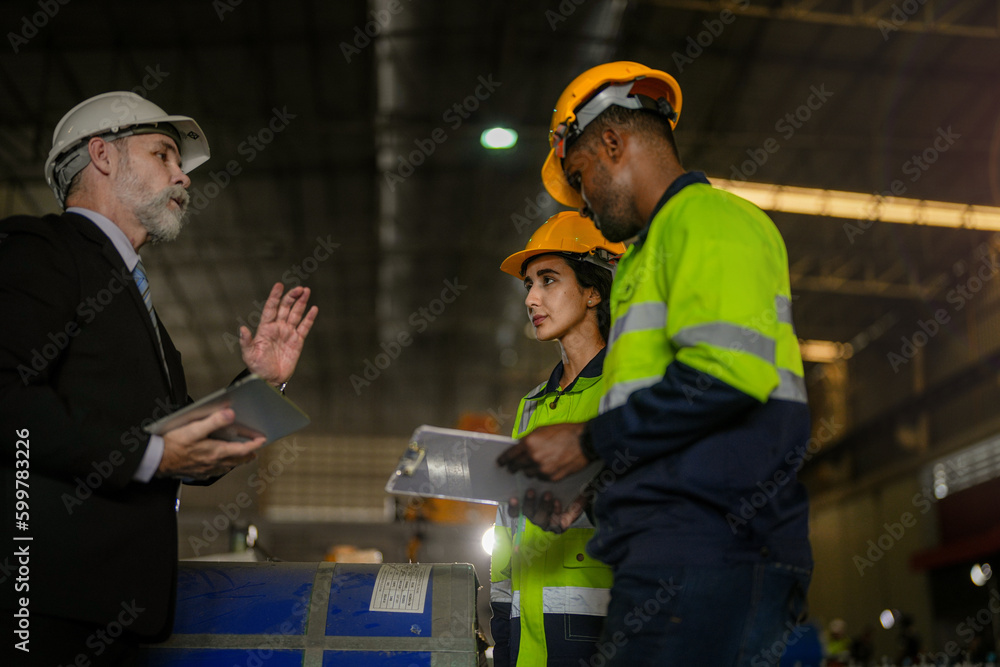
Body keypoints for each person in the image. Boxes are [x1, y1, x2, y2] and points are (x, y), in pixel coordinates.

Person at [497, 61, 812, 666]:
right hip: (662, 553)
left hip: (722, 548)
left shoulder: (711, 221)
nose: (585, 207)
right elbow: (668, 425)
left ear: (613, 142)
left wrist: (587, 440)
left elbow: (725, 376)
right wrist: (589, 498)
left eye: (581, 176)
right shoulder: (644, 261)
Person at [0, 91, 318, 665]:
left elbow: (182, 443)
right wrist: (152, 455)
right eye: (164, 155)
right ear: (102, 156)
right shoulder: (40, 253)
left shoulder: (134, 302)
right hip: (41, 604)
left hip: (110, 609)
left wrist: (257, 383)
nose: (183, 178)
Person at [490, 212, 624, 667]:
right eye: (529, 284)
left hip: (598, 628)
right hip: (524, 632)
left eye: (548, 280)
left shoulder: (627, 393)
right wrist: (501, 619)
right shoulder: (531, 406)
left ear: (592, 291)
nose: (531, 298)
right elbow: (506, 528)